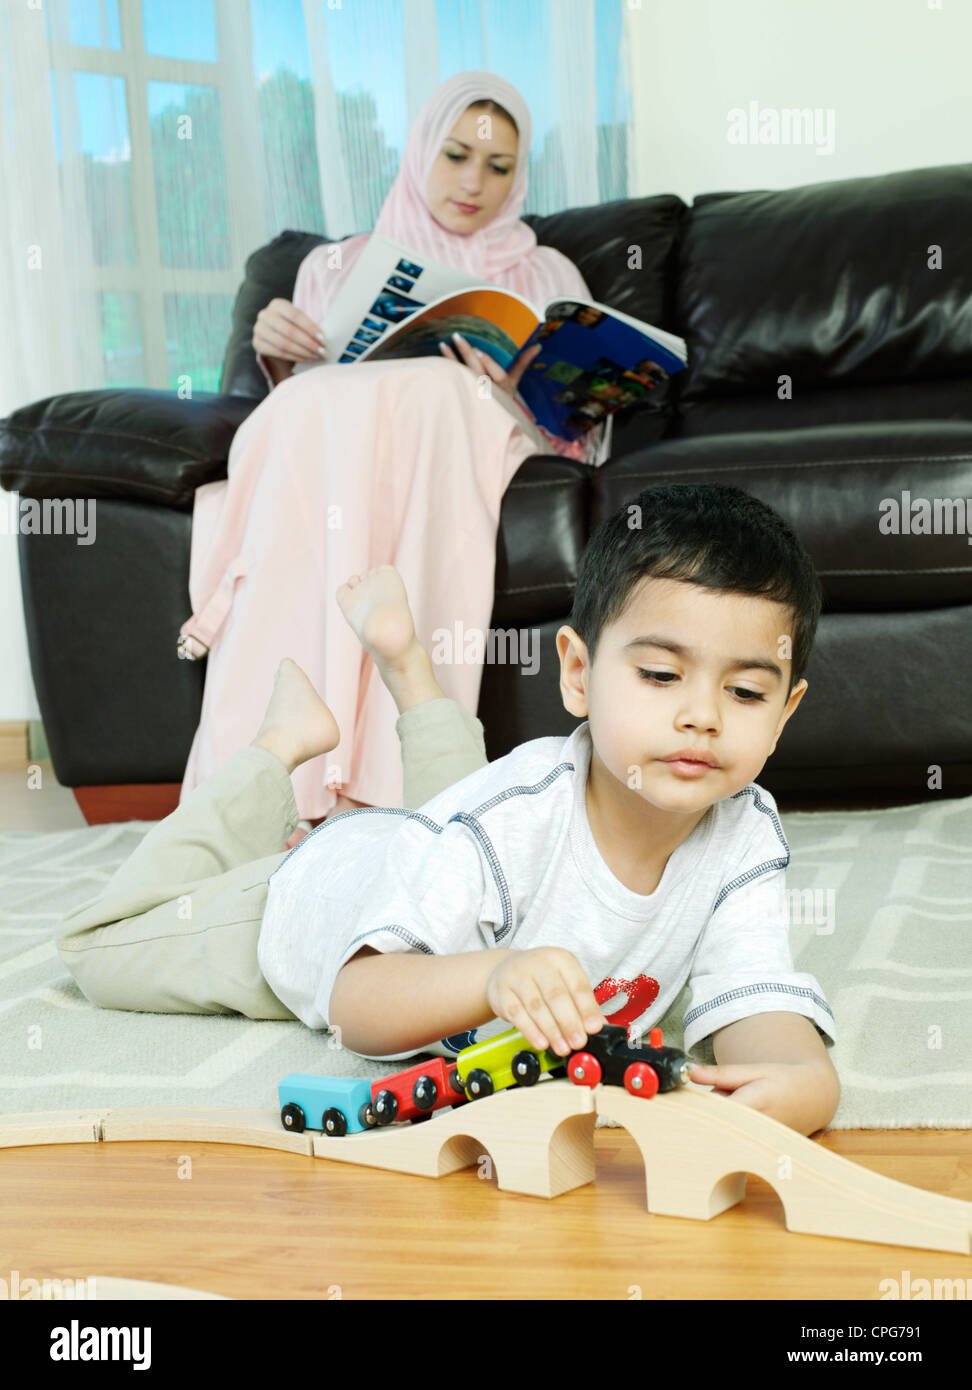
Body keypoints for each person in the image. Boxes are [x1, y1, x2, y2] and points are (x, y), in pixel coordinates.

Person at [57, 483, 840, 1137]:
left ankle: (406, 667)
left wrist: (803, 1075)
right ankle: (276, 750)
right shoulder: (507, 817)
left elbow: (754, 994)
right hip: (318, 896)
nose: (702, 716)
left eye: (745, 692)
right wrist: (496, 976)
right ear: (577, 674)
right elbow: (356, 1004)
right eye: (662, 676)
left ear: (786, 711)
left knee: (465, 830)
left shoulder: (742, 832)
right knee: (97, 948)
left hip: (439, 850)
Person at [175, 71, 613, 830]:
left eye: (498, 167)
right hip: (348, 449)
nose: (473, 183)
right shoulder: (337, 264)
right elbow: (299, 399)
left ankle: (385, 783)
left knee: (442, 392)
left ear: (518, 177)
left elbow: (577, 429)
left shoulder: (548, 274)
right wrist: (274, 349)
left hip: (470, 425)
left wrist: (514, 389)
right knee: (309, 401)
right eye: (455, 156)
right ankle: (268, 784)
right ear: (419, 153)